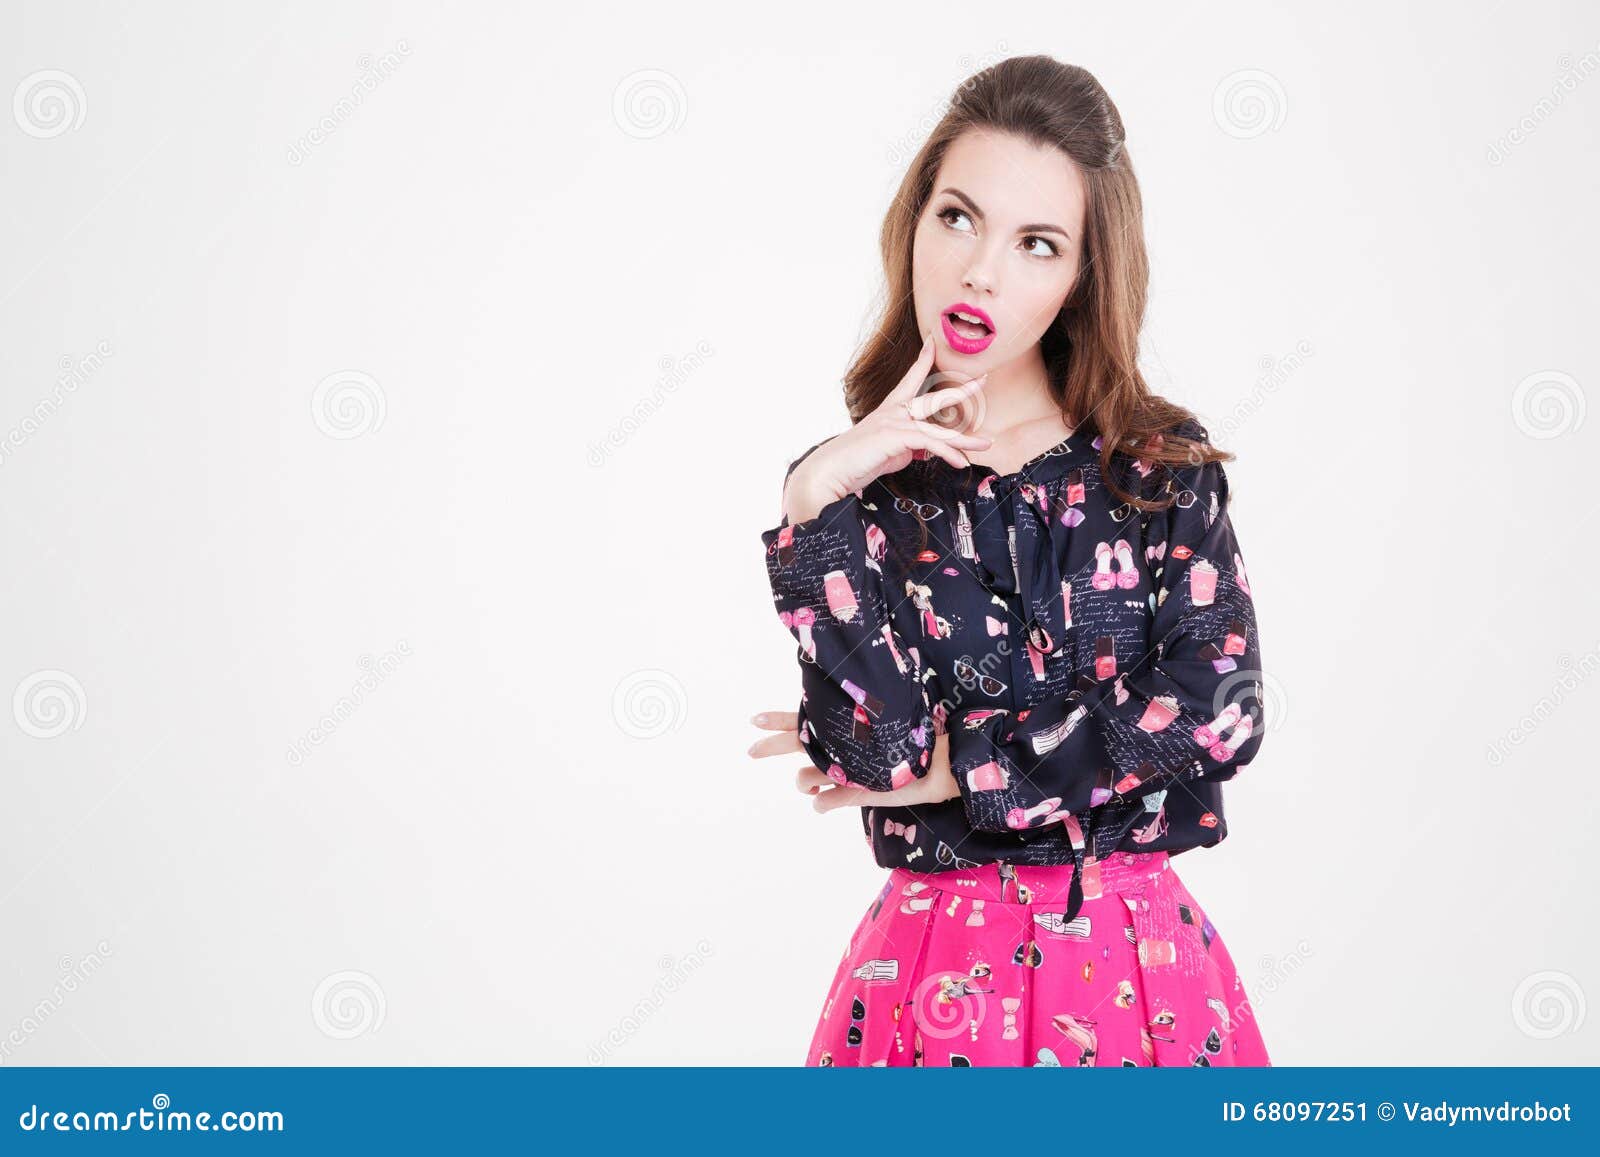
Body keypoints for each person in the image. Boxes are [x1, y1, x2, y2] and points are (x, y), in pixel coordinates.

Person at [751, 55, 1273, 1067]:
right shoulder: (854, 494)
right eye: (957, 217)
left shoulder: (1153, 470)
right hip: (927, 976)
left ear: (1080, 277)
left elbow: (1216, 709)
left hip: (1136, 975)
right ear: (914, 223)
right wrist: (812, 498)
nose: (980, 269)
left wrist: (962, 765)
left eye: (1036, 244)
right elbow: (875, 762)